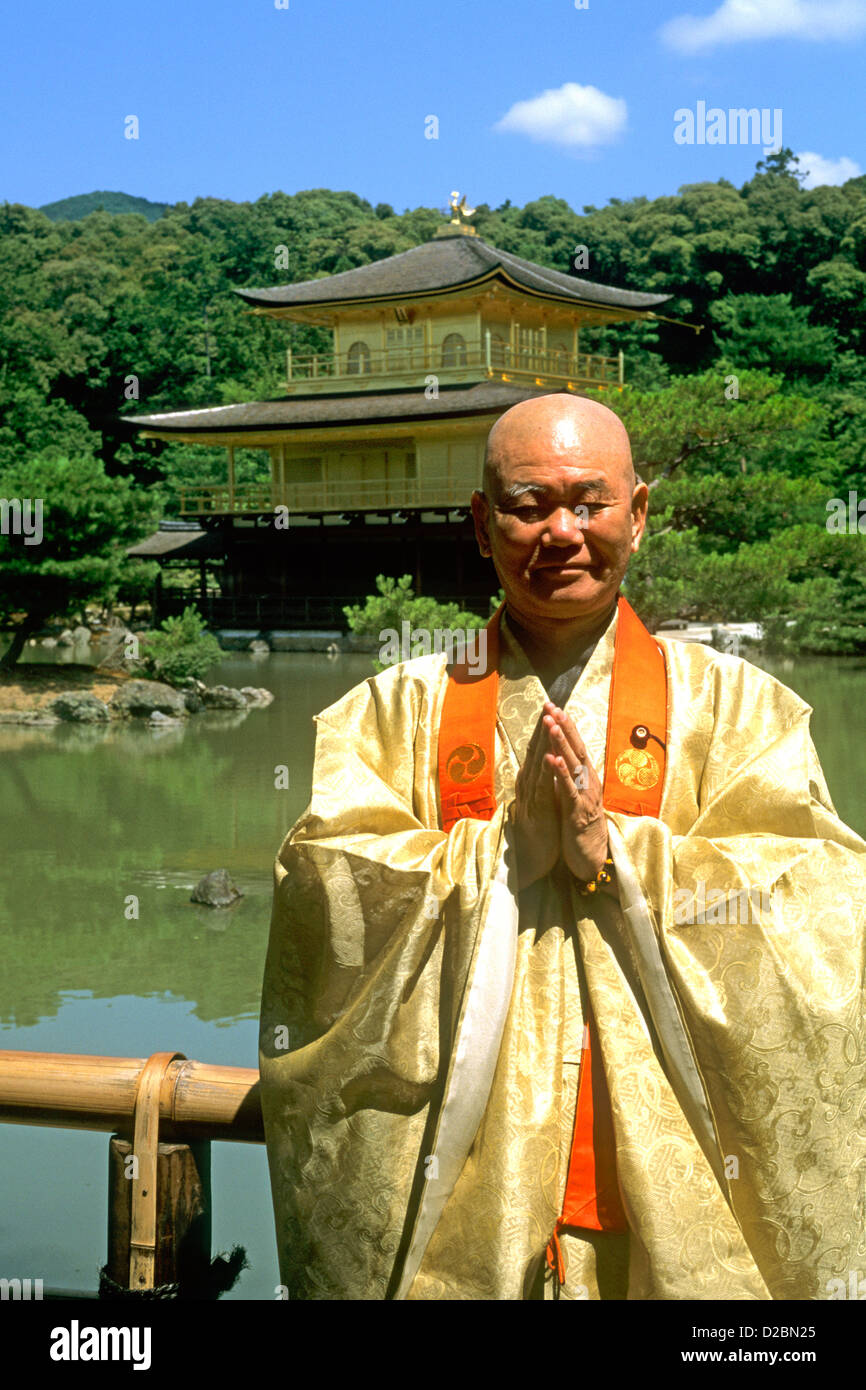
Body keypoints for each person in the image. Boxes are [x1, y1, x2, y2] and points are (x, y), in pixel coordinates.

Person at [259, 393, 866, 1301]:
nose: (563, 532)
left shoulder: (743, 712)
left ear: (641, 512)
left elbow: (821, 904)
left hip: (672, 1180)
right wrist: (502, 857)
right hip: (467, 1182)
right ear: (480, 523)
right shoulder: (391, 713)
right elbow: (324, 891)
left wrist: (613, 853)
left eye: (591, 502)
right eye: (528, 504)